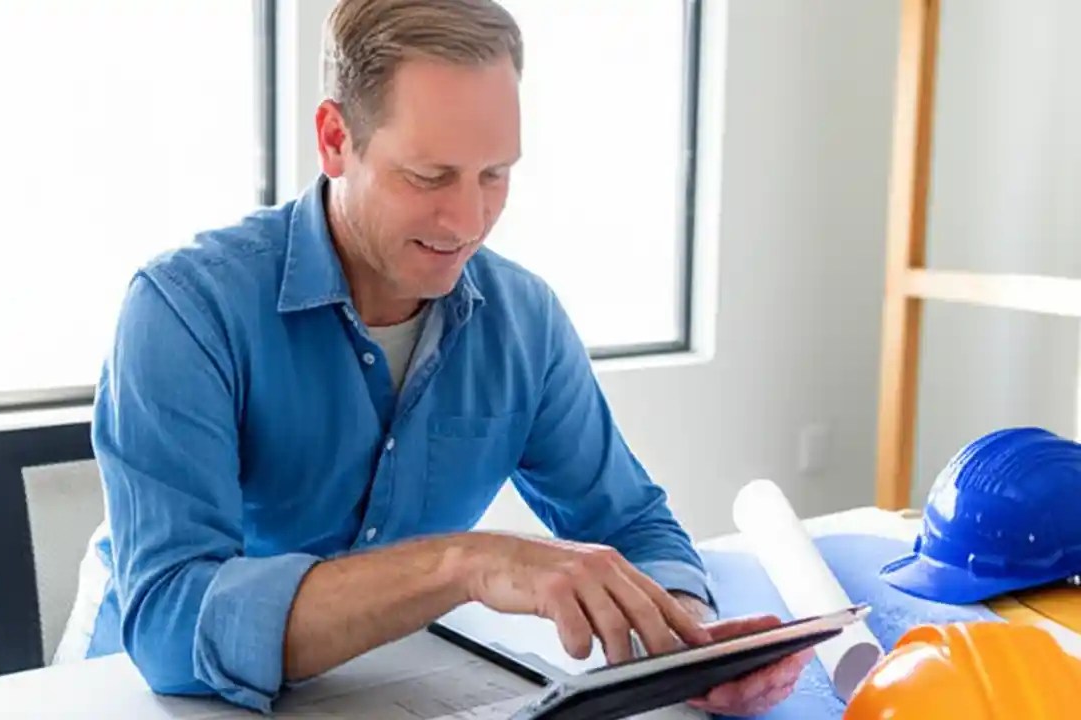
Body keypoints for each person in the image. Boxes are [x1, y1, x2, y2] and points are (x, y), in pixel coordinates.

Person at [57, 0, 811, 715]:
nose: (468, 221)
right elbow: (169, 629)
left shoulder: (524, 320)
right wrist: (466, 565)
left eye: (496, 174)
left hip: (380, 691)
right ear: (333, 141)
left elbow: (634, 525)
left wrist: (683, 643)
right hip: (147, 698)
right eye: (428, 177)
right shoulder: (184, 308)